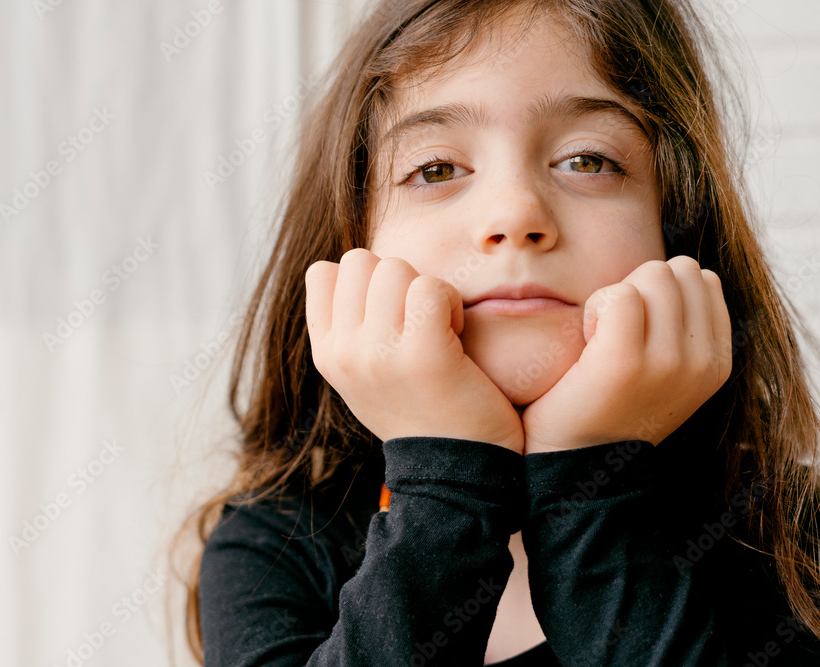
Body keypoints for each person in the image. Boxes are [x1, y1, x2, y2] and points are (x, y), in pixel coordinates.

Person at [173, 0, 820, 664]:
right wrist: (448, 478)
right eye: (436, 169)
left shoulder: (789, 538)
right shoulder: (274, 549)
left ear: (679, 233)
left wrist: (593, 483)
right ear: (353, 250)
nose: (516, 214)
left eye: (588, 160)